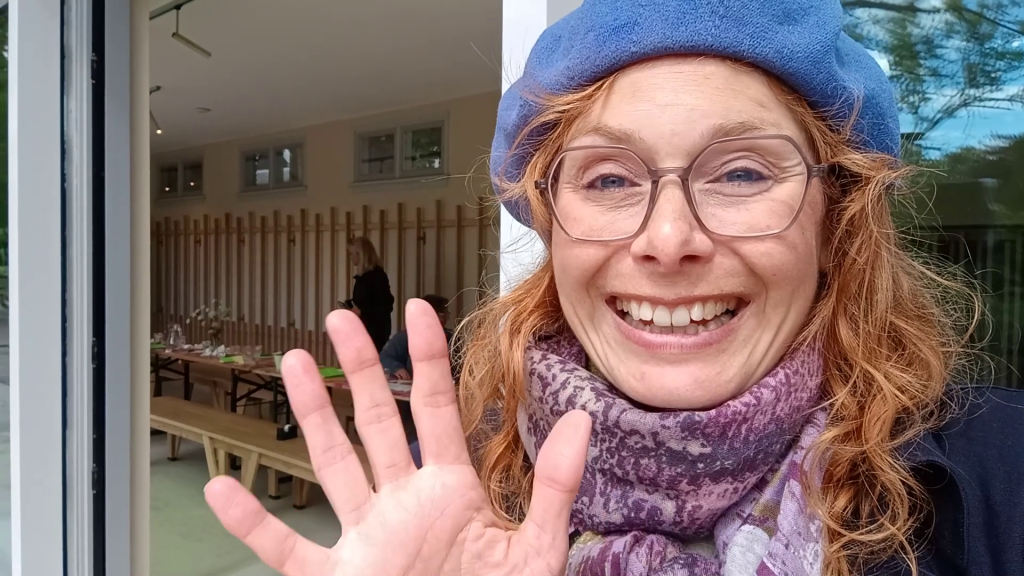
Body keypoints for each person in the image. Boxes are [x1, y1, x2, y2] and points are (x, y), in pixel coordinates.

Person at [204, 1, 1024, 575]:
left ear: (835, 220)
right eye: (608, 180)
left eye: (740, 172)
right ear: (554, 229)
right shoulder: (449, 487)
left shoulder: (999, 485)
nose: (668, 240)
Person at [379, 294, 455, 381]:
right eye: (440, 314)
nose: (444, 319)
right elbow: (384, 357)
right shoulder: (406, 336)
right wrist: (397, 368)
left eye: (445, 314)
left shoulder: (451, 337)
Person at [340, 236, 394, 352]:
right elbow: (364, 300)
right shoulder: (362, 276)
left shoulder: (377, 276)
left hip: (375, 332)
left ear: (360, 254)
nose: (350, 257)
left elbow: (386, 304)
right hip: (362, 329)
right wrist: (349, 305)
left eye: (352, 254)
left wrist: (362, 311)